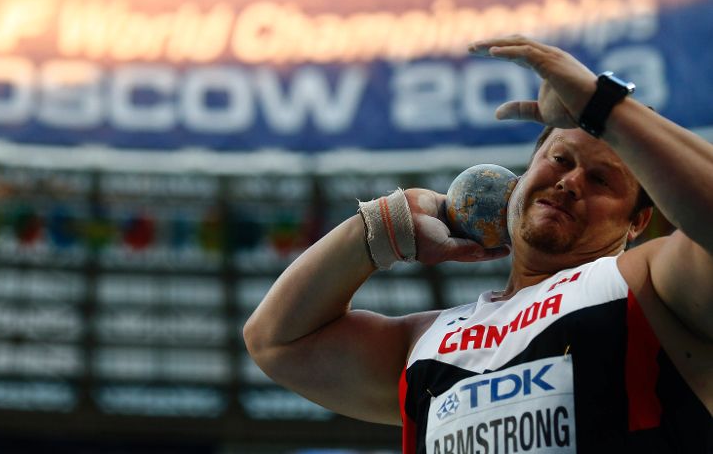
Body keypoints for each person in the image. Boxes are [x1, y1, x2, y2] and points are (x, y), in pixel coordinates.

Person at [243, 35, 712, 453]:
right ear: (522, 176)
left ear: (638, 222)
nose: (570, 182)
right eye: (559, 160)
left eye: (601, 178)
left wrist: (605, 108)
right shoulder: (427, 341)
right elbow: (276, 342)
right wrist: (388, 225)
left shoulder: (649, 286)